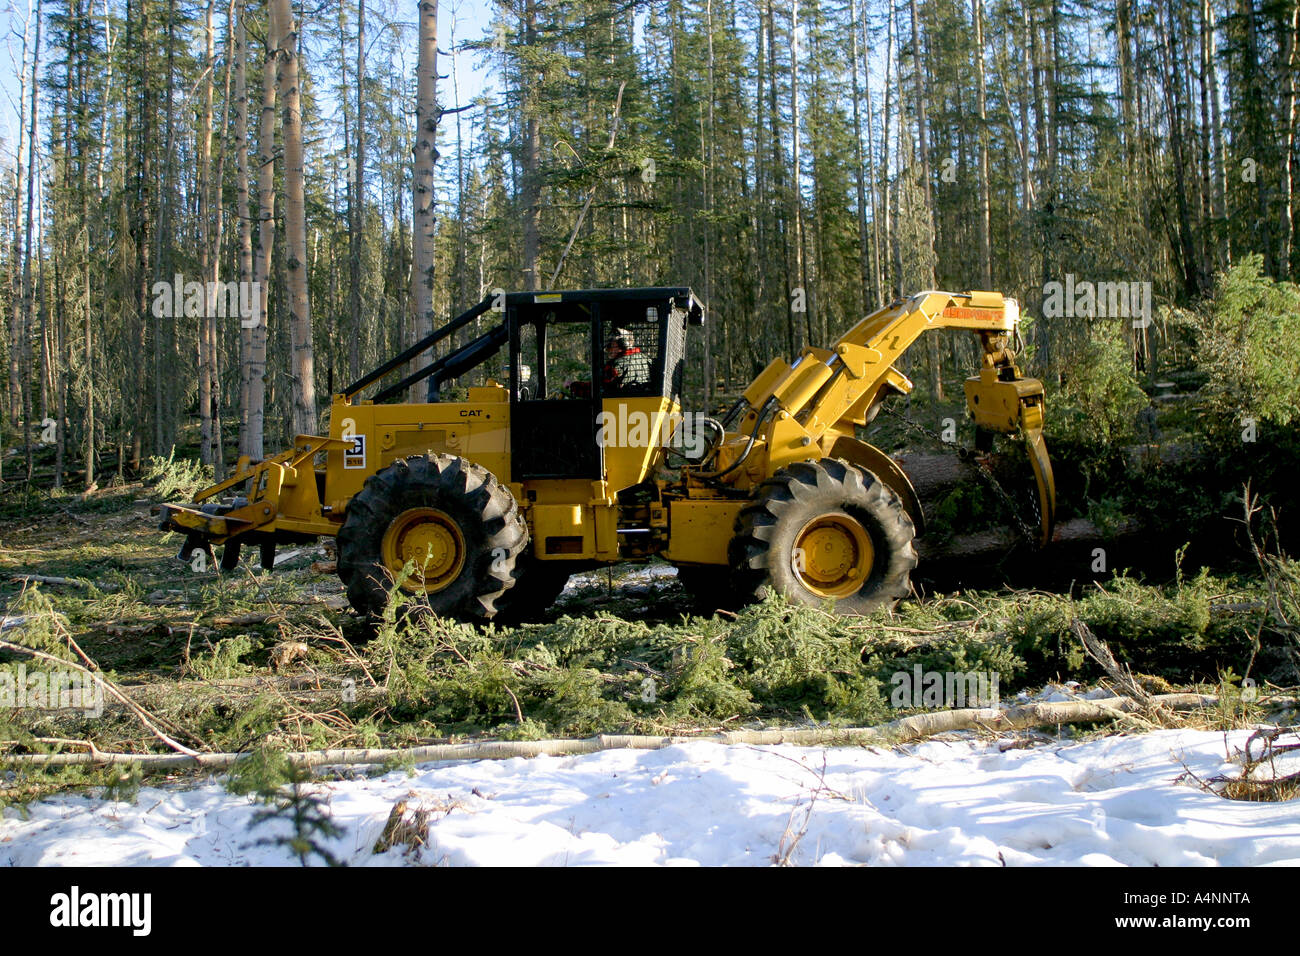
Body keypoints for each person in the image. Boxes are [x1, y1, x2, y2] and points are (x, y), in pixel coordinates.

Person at [602, 327, 650, 392]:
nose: (609, 349)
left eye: (611, 345)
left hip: (621, 397)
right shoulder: (645, 358)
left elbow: (603, 384)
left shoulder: (617, 364)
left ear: (622, 345)